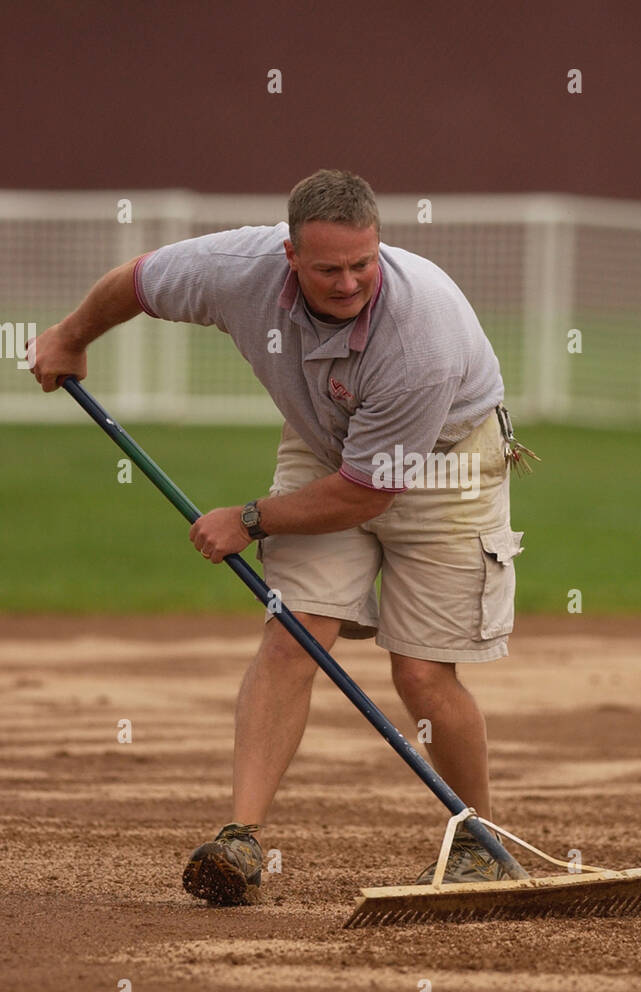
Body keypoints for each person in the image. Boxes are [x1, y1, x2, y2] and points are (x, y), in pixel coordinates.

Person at [31, 168, 531, 904]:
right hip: (327, 445)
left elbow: (366, 495)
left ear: (378, 245)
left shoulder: (419, 337)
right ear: (289, 256)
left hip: (445, 465)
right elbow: (137, 282)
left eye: (363, 263)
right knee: (293, 632)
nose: (349, 282)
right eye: (328, 268)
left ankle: (482, 845)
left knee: (422, 672)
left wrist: (250, 519)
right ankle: (241, 841)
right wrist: (71, 337)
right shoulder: (237, 269)